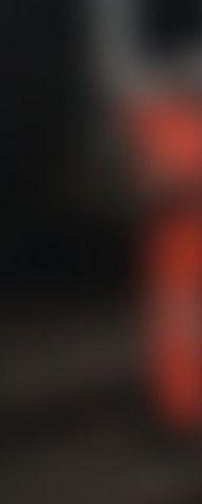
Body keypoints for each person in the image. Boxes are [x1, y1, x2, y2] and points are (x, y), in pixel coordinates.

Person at [128, 61, 202, 437]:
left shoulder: (164, 126)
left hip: (178, 246)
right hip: (175, 246)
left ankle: (180, 411)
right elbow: (154, 189)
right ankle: (179, 412)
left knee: (178, 328)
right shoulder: (164, 124)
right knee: (177, 329)